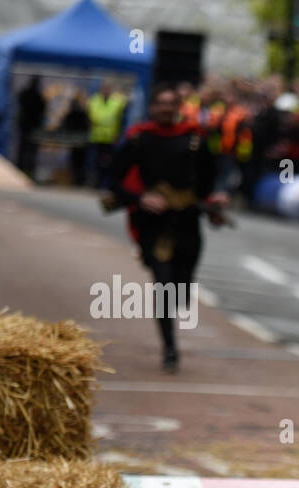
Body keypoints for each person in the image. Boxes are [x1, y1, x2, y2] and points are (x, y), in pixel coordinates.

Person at [100, 83, 228, 372]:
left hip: (187, 221)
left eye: (172, 104)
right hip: (153, 225)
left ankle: (178, 300)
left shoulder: (195, 138)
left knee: (182, 284)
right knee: (163, 283)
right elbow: (112, 178)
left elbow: (213, 175)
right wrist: (140, 198)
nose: (166, 109)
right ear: (152, 107)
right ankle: (170, 349)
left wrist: (217, 196)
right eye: (161, 104)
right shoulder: (138, 139)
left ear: (178, 108)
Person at [87, 80, 127, 187]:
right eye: (104, 88)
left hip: (110, 137)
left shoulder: (117, 102)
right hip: (96, 136)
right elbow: (93, 116)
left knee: (108, 162)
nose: (106, 91)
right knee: (95, 162)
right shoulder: (94, 100)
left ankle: (104, 183)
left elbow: (120, 119)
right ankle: (94, 182)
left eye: (108, 89)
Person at [16, 76, 46, 180]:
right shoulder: (36, 96)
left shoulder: (31, 95)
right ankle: (24, 171)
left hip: (29, 126)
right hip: (29, 126)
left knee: (26, 150)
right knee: (28, 150)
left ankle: (25, 171)